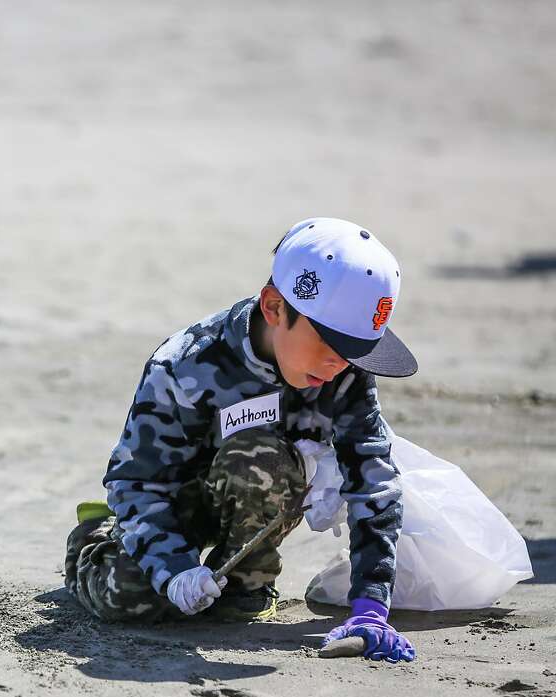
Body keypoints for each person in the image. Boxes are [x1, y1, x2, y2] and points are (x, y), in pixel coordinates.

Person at [64, 217, 418, 662]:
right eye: (329, 344)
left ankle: (249, 581)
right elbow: (136, 483)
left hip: (259, 504)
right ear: (274, 307)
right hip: (175, 506)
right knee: (130, 598)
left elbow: (374, 481)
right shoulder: (184, 364)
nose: (338, 365)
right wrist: (173, 570)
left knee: (260, 461)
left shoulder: (345, 373)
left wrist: (370, 607)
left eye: (354, 352)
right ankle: (95, 538)